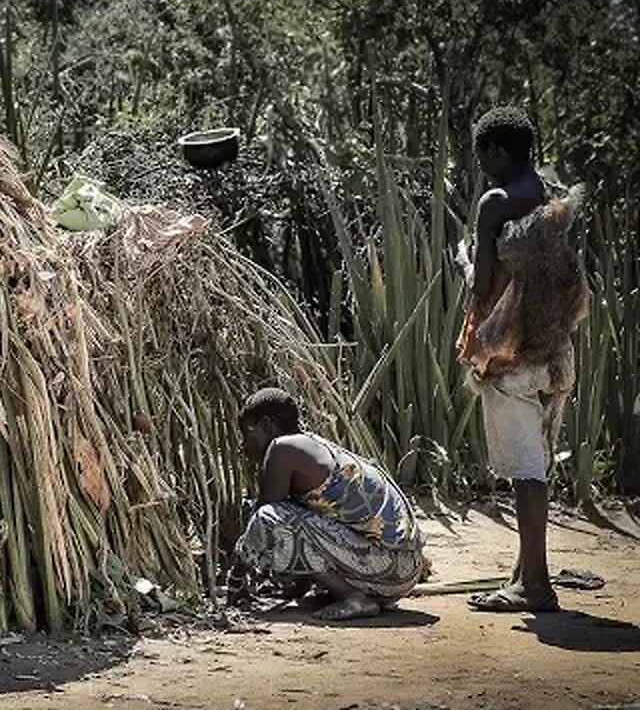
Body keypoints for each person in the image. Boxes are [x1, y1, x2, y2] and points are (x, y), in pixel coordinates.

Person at [456, 105, 588, 613]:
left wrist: (466, 262)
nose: (480, 163)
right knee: (538, 461)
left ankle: (534, 585)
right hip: (553, 352)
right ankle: (525, 570)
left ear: (496, 151)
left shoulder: (496, 203)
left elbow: (486, 286)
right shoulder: (551, 198)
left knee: (527, 471)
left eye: (481, 153)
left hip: (511, 355)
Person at [230, 388, 426, 621]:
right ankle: (345, 592)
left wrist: (236, 580)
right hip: (402, 570)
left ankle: (355, 598)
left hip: (389, 569)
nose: (244, 445)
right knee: (289, 516)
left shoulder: (283, 448)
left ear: (266, 425)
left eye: (247, 433)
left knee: (268, 516)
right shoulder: (311, 444)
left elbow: (265, 521)